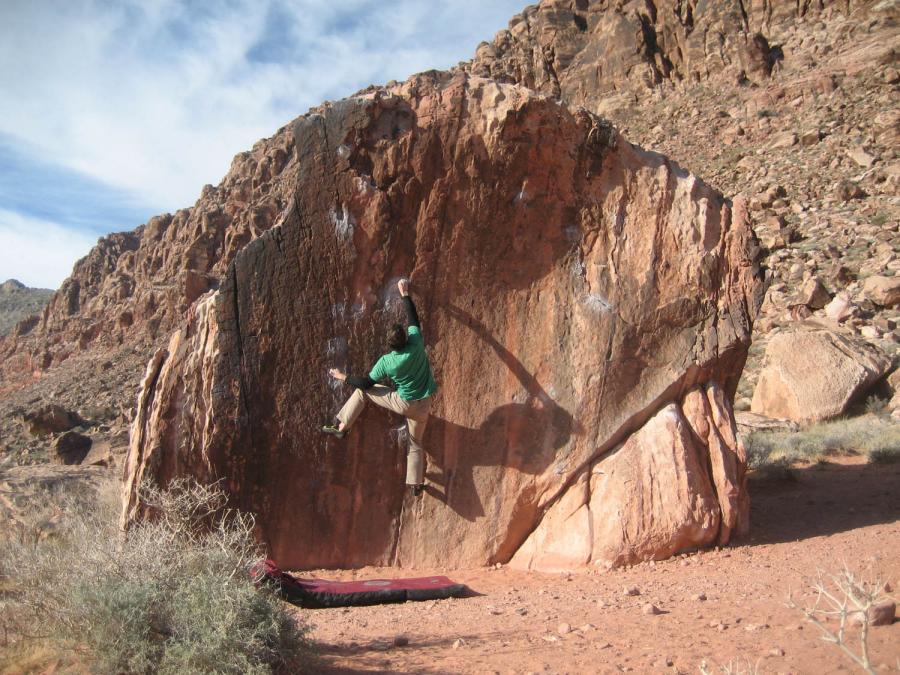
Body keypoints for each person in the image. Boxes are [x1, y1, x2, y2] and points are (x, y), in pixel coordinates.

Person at [322, 278, 437, 497]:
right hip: (423, 405)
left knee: (363, 392)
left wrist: (342, 376)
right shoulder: (416, 342)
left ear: (390, 345)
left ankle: (342, 427)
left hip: (403, 403)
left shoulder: (387, 362)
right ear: (406, 338)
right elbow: (413, 318)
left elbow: (366, 383)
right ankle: (415, 484)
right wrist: (405, 294)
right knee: (416, 442)